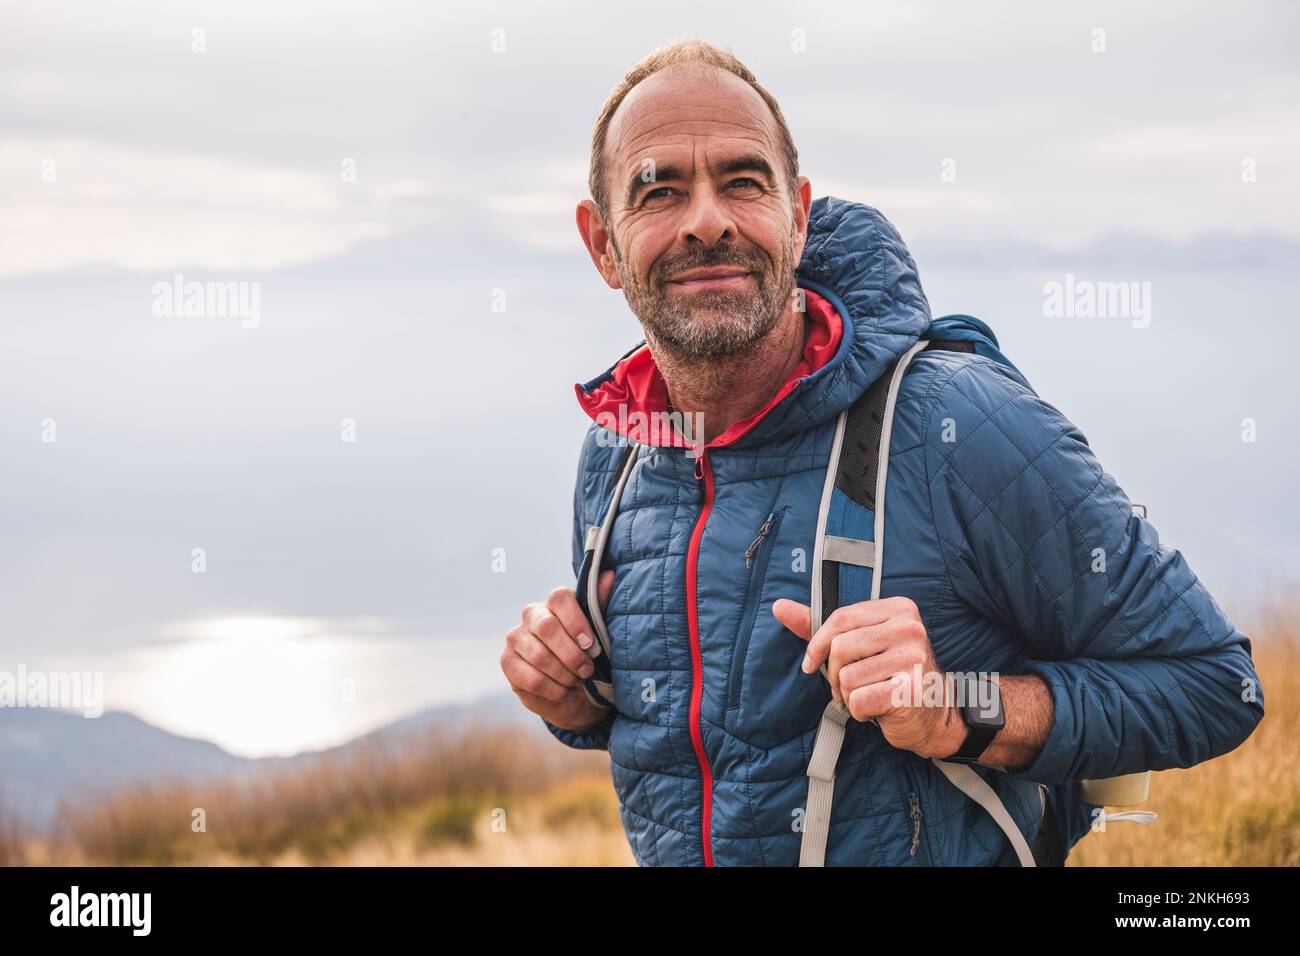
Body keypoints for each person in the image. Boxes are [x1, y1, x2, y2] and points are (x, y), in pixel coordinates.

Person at [498, 38, 1265, 866]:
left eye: (743, 182)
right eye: (659, 190)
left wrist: (956, 706)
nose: (707, 219)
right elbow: (709, 730)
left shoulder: (958, 426)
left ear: (796, 215)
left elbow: (1216, 683)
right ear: (603, 244)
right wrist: (576, 702)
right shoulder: (618, 456)